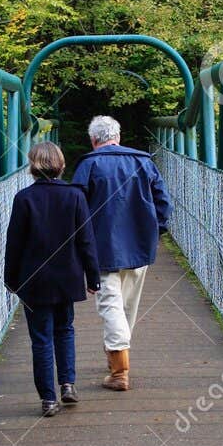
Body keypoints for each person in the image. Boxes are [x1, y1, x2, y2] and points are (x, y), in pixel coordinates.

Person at [70, 114, 172, 391]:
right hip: (139, 246)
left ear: (94, 140)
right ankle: (116, 356)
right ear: (118, 137)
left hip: (101, 249)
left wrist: (77, 245)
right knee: (128, 305)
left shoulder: (89, 165)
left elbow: (75, 209)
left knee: (110, 305)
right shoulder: (143, 162)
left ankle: (119, 372)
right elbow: (163, 203)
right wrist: (154, 232)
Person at [3, 140, 101, 417]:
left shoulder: (24, 198)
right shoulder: (75, 196)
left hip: (34, 281)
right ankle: (68, 384)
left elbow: (14, 244)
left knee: (41, 339)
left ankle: (48, 400)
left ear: (32, 166)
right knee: (65, 329)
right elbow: (86, 241)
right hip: (67, 277)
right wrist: (93, 277)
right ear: (61, 165)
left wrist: (11, 279)